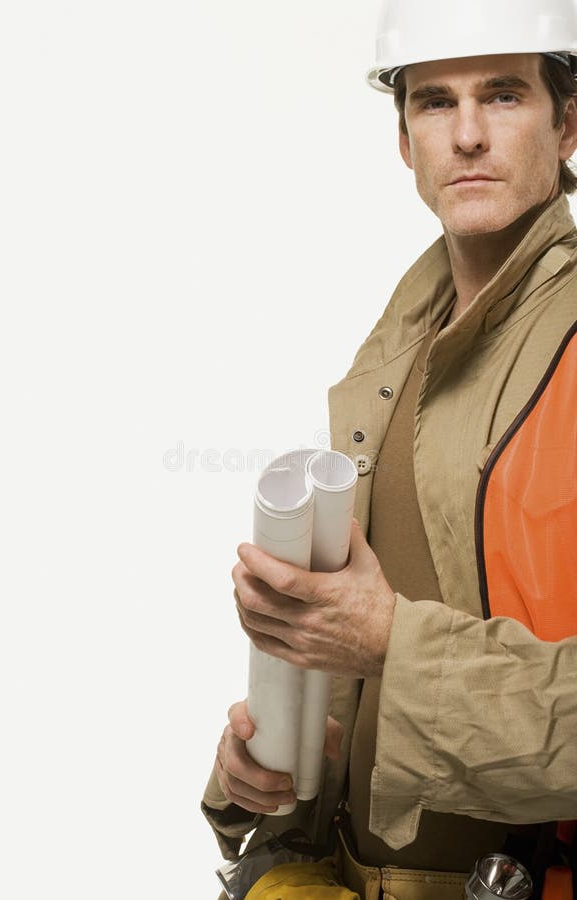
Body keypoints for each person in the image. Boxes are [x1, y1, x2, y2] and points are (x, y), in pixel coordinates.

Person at [202, 0, 577, 896]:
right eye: (436, 102)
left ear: (569, 123)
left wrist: (389, 643)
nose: (469, 135)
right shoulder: (395, 354)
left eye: (503, 95)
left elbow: (385, 640)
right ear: (405, 140)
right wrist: (265, 772)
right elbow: (357, 673)